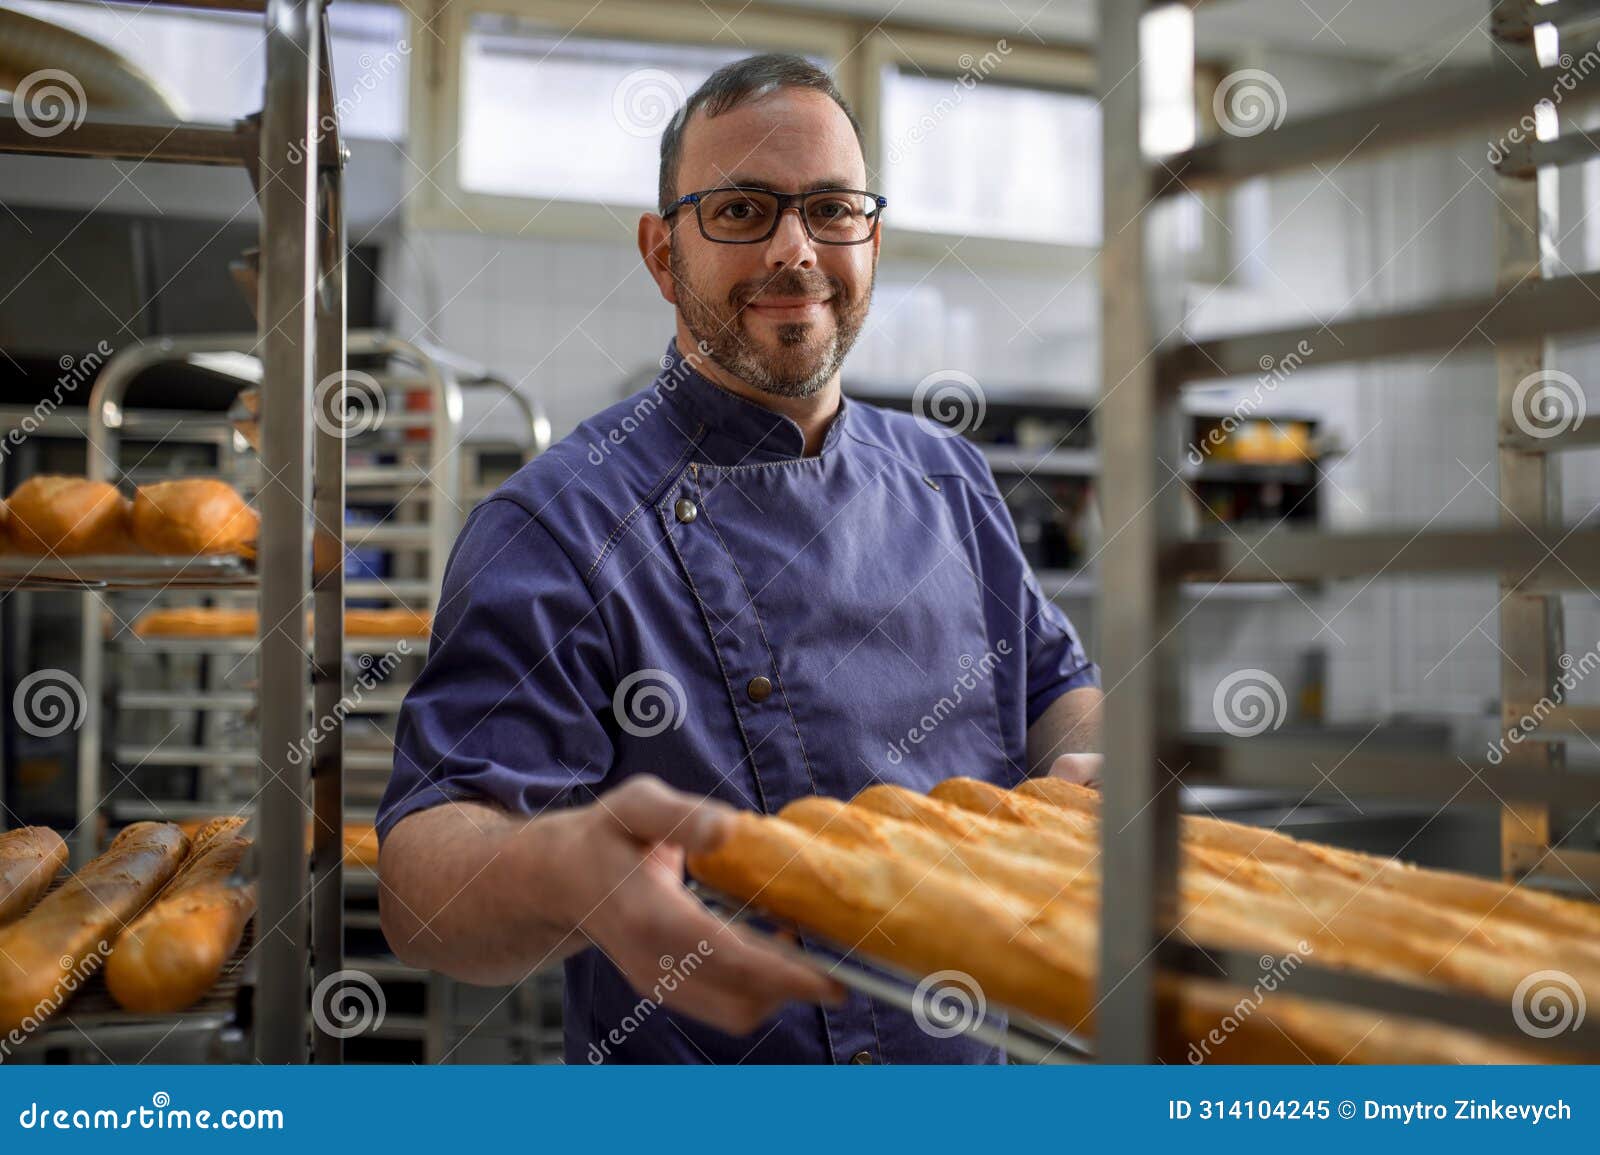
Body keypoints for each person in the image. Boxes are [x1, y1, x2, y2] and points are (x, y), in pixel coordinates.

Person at [377, 52, 1103, 1064]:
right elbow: (422, 887)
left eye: (832, 208)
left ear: (871, 236)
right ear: (662, 251)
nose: (794, 249)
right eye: (740, 211)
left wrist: (1087, 756)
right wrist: (565, 871)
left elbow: (1055, 689)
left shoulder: (950, 477)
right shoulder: (558, 521)